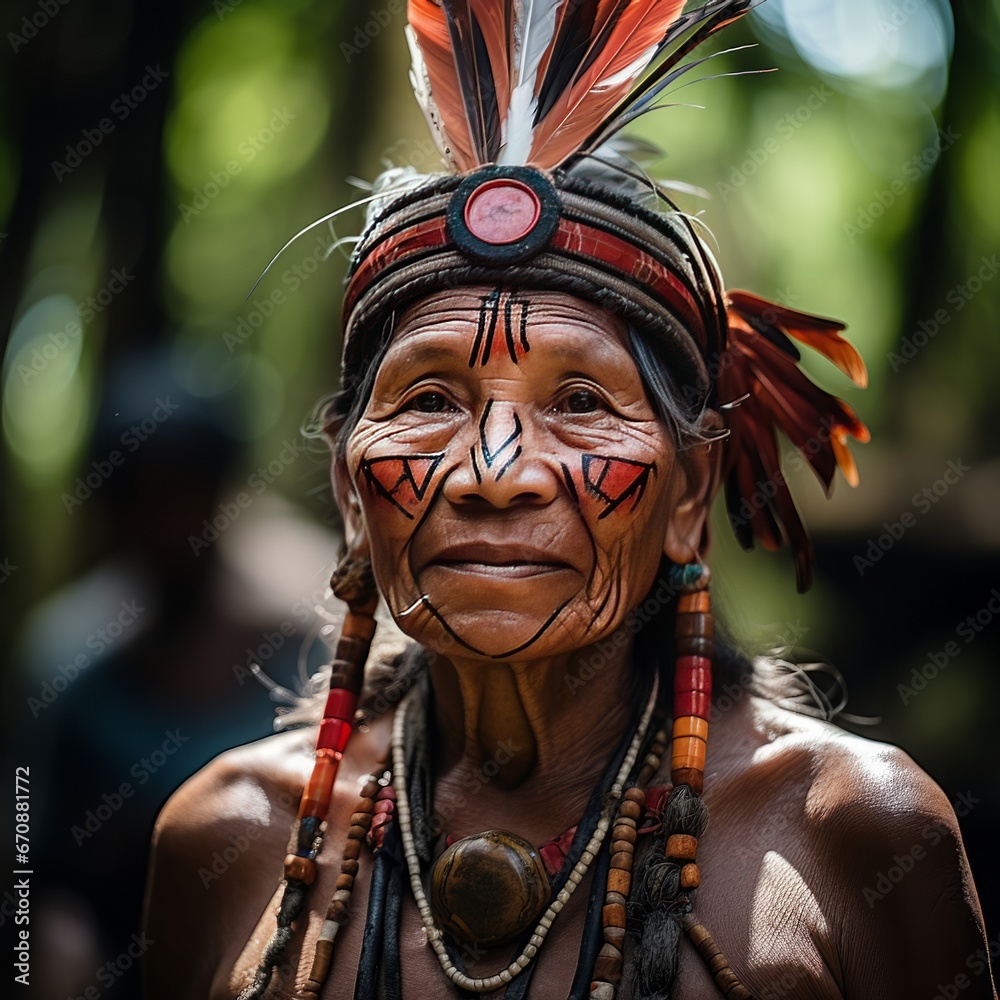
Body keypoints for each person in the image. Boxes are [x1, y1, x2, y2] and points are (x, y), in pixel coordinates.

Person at [144, 1, 996, 997]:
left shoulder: (850, 832)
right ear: (347, 488)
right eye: (428, 400)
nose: (494, 470)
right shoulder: (227, 835)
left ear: (688, 494)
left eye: (581, 402)